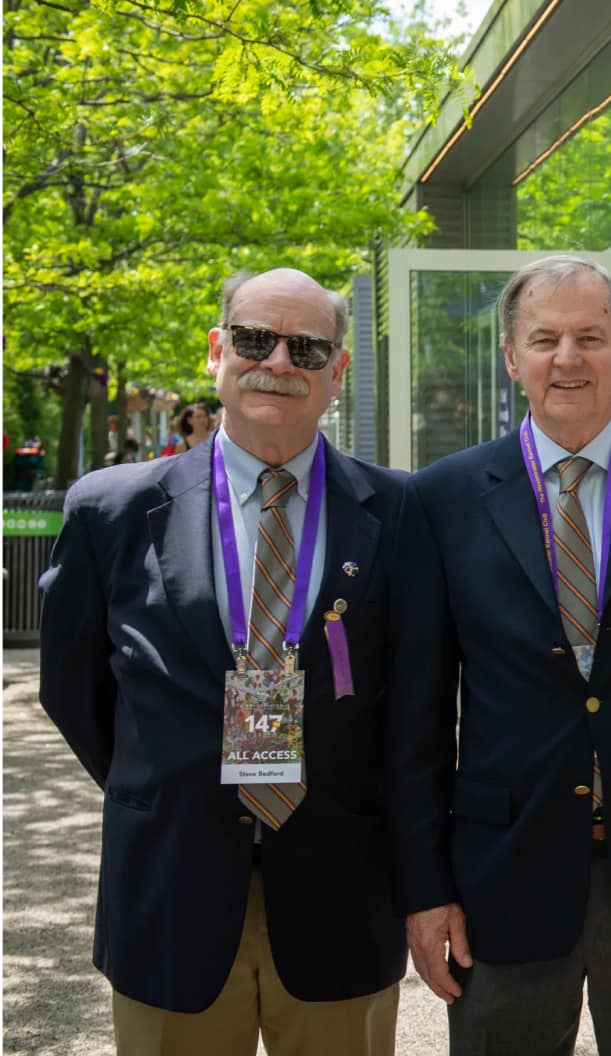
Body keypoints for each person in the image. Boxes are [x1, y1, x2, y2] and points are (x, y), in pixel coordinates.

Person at [38, 268, 406, 1056]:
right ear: (216, 351)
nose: (279, 359)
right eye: (253, 338)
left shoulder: (403, 515)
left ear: (338, 372)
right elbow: (75, 691)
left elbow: (416, 706)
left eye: (307, 346)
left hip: (343, 893)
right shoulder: (111, 511)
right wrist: (168, 780)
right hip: (170, 887)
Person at [388, 255, 611, 1056]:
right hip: (501, 873)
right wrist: (425, 886)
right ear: (512, 358)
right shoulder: (442, 497)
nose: (568, 359)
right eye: (544, 339)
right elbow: (415, 711)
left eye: (590, 336)